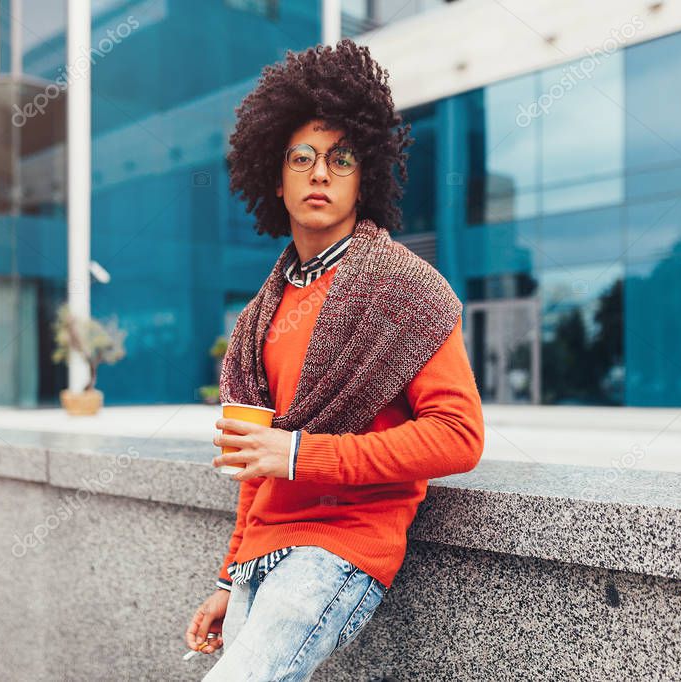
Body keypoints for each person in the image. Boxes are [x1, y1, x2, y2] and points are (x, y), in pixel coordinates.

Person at [184, 38, 485, 681]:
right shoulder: (258, 316)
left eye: (340, 159)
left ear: (363, 178)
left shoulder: (407, 292)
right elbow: (255, 462)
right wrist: (229, 576)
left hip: (341, 546)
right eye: (302, 158)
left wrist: (301, 455)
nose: (320, 174)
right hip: (263, 554)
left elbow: (460, 437)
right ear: (276, 177)